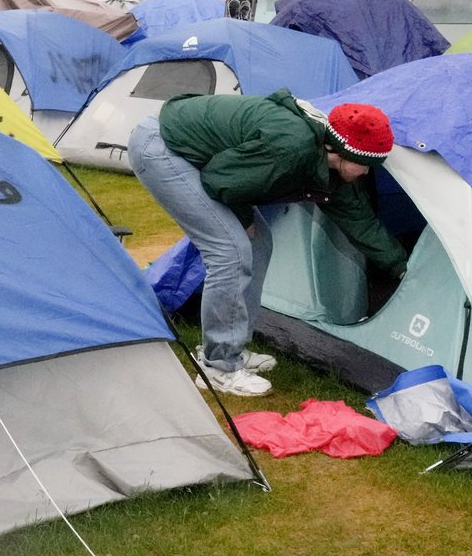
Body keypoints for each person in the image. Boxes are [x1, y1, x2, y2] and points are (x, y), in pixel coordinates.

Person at [127, 89, 406, 397]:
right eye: (365, 164)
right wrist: (244, 219)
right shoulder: (293, 148)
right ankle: (219, 366)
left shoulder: (326, 167)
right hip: (163, 147)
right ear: (340, 152)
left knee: (259, 245)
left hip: (195, 153)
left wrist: (400, 267)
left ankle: (232, 346)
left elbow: (360, 221)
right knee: (230, 251)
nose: (367, 172)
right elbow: (222, 180)